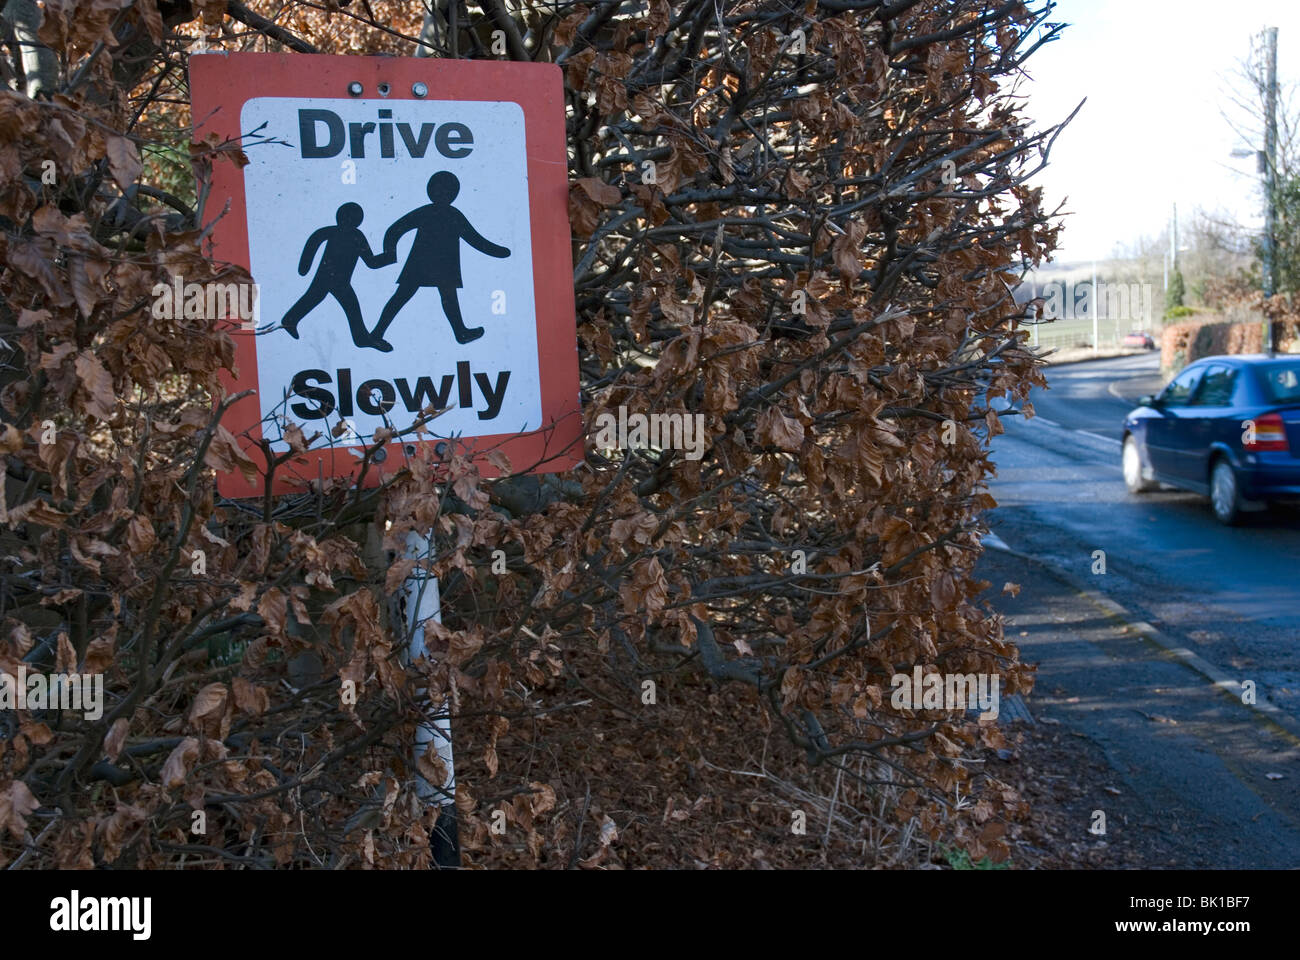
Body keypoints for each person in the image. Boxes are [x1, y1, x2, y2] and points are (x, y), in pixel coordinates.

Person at [368, 171, 510, 352]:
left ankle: (460, 332)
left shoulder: (453, 214)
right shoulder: (430, 212)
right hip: (422, 263)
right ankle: (377, 333)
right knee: (403, 296)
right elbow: (395, 229)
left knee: (447, 297)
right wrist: (390, 254)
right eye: (439, 191)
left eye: (447, 192)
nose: (443, 195)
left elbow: (475, 239)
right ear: (431, 191)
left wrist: (499, 252)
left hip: (441, 265)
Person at [282, 202, 393, 348]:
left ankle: (291, 319)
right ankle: (290, 320)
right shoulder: (340, 233)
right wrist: (304, 267)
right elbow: (314, 242)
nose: (349, 221)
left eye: (352, 218)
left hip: (340, 281)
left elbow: (370, 261)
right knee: (319, 299)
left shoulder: (356, 236)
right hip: (327, 277)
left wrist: (389, 258)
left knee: (344, 305)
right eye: (347, 217)